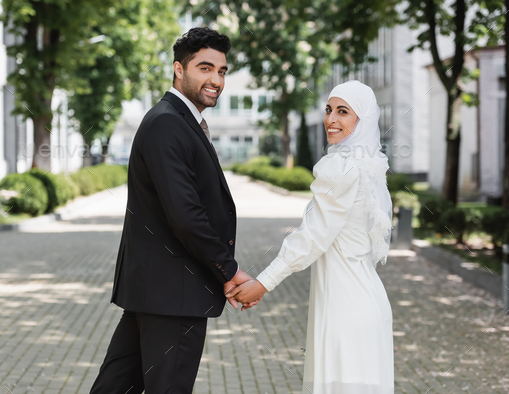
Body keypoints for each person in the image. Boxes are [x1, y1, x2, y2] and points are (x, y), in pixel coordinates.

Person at [89, 27, 253, 394]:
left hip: (156, 291)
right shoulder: (168, 123)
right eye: (205, 68)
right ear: (179, 69)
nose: (215, 80)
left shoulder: (179, 121)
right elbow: (185, 214)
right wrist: (229, 270)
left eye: (222, 71)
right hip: (174, 292)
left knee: (115, 388)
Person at [228, 80, 395, 393]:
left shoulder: (342, 168)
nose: (331, 119)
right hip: (368, 301)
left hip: (345, 307)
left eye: (343, 112)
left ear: (363, 120)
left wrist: (262, 283)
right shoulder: (368, 166)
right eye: (329, 110)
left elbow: (312, 238)